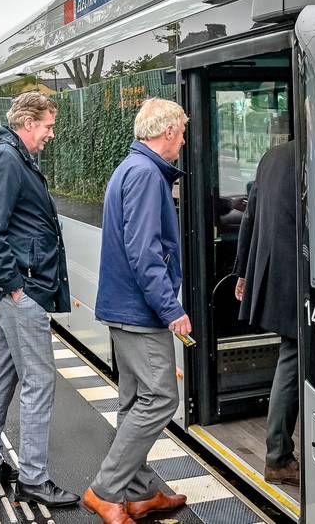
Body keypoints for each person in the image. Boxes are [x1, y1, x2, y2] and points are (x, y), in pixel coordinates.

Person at [83, 98, 190, 524]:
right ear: (167, 132)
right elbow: (145, 253)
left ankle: (141, 492)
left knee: (134, 402)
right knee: (161, 399)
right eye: (181, 133)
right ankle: (106, 491)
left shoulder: (131, 168)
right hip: (139, 312)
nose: (183, 142)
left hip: (123, 307)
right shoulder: (147, 175)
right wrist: (171, 310)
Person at [0, 91, 78, 509]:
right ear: (28, 122)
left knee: (5, 374)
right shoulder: (6, 158)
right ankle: (33, 480)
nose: (51, 133)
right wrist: (14, 284)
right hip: (23, 289)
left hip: (20, 287)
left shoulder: (12, 156)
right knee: (39, 380)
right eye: (48, 125)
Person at [233, 139, 301, 486]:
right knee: (293, 360)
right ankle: (278, 458)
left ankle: (282, 453)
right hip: (300, 280)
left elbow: (250, 216)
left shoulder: (272, 156)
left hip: (275, 276)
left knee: (292, 359)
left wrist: (243, 271)